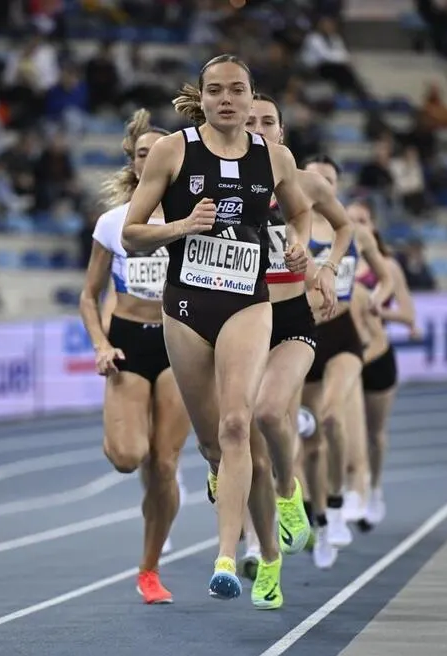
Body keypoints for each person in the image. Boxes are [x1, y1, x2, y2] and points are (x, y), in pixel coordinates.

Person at [121, 54, 320, 603]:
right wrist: (183, 226)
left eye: (237, 90)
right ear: (202, 98)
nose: (227, 99)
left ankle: (228, 558)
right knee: (214, 443)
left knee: (239, 425)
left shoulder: (274, 157)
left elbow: (300, 212)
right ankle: (221, 474)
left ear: (252, 97)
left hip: (248, 305)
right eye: (216, 91)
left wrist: (300, 241)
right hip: (186, 306)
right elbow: (132, 234)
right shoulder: (173, 150)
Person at [231, 93, 359, 589]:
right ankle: (259, 552)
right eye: (252, 120)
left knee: (267, 415)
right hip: (238, 318)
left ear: (282, 133)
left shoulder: (304, 183)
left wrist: (324, 269)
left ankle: (289, 492)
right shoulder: (227, 181)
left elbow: (344, 226)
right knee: (241, 444)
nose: (259, 128)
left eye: (269, 122)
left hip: (289, 318)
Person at [79, 109, 192, 605]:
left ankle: (149, 570)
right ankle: (155, 479)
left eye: (159, 153)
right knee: (129, 457)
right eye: (143, 153)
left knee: (164, 465)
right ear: (134, 161)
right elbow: (88, 296)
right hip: (127, 340)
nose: (152, 160)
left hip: (179, 342)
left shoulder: (192, 215)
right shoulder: (113, 223)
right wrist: (102, 345)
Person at [300, 158, 393, 570]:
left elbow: (386, 275)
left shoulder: (352, 233)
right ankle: (321, 518)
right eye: (312, 178)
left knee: (333, 417)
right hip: (302, 339)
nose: (319, 185)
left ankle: (338, 506)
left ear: (336, 186)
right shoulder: (292, 226)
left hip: (342, 338)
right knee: (311, 441)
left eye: (328, 180)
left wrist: (377, 296)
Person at [349, 221, 418, 531]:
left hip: (377, 355)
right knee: (345, 429)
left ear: (372, 226)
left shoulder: (387, 266)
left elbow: (407, 315)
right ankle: (355, 493)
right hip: (345, 353)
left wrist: (375, 310)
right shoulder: (338, 257)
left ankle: (374, 488)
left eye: (363, 219)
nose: (355, 224)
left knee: (375, 434)